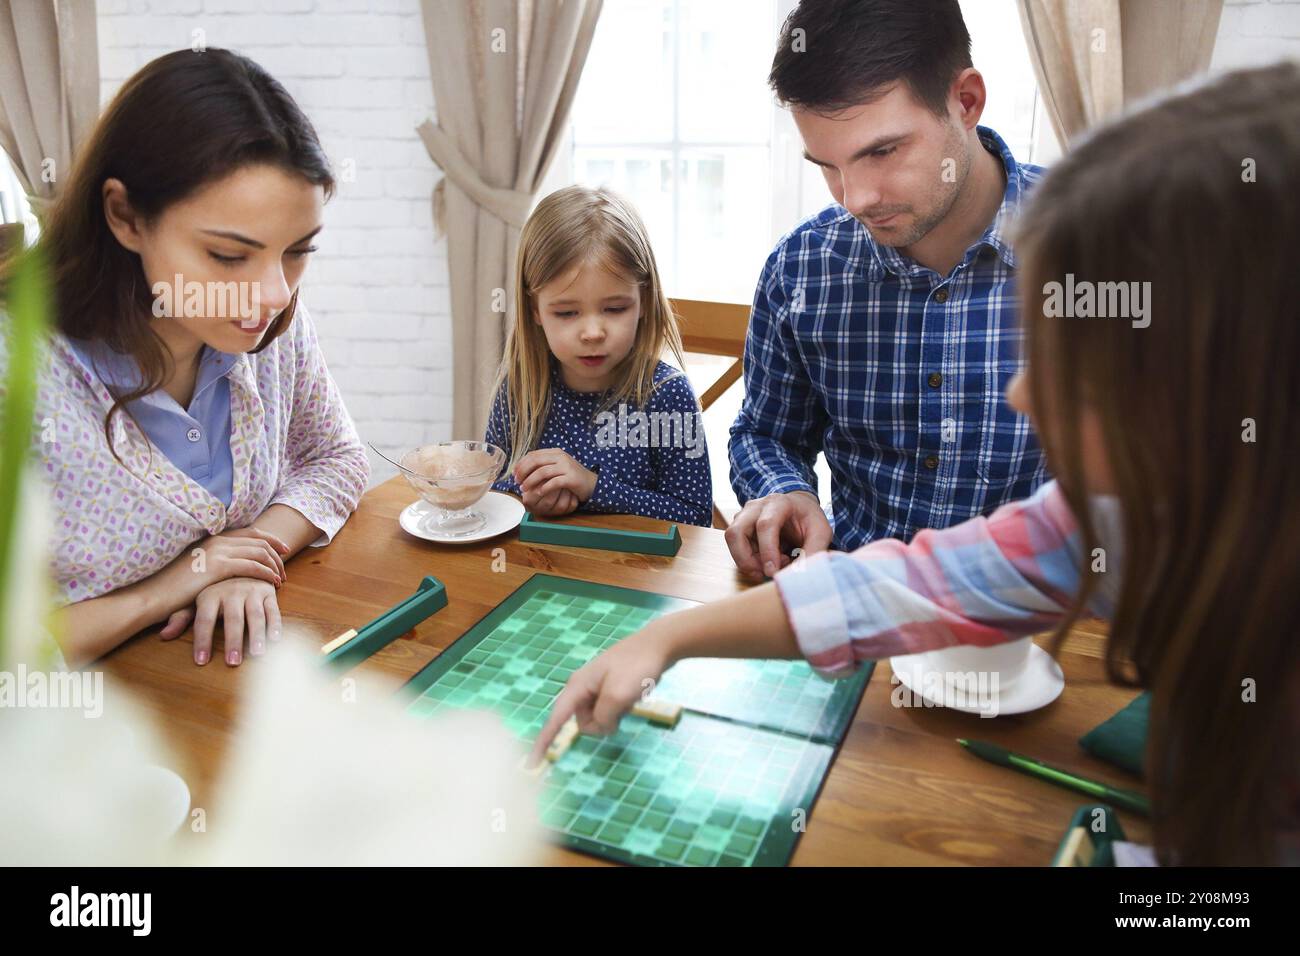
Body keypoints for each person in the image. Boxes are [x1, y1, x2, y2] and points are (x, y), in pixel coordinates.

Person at [532, 63, 1300, 866]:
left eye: (1076, 364)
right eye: (827, 166)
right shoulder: (1107, 524)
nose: (1025, 395)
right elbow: (903, 585)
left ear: (1217, 380)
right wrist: (666, 640)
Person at [0, 49, 369, 668]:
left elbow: (334, 456)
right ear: (125, 217)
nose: (276, 293)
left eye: (298, 250)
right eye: (229, 256)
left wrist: (251, 554)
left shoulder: (262, 318)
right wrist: (174, 584)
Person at [727, 0, 1048, 581]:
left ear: (966, 101)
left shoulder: (1104, 251)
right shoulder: (802, 269)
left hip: (1044, 631)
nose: (855, 199)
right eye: (828, 165)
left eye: (881, 152)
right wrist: (786, 492)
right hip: (859, 614)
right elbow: (766, 433)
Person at [486, 186, 712, 528]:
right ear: (535, 310)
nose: (592, 332)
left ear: (643, 300)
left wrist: (593, 488)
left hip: (640, 578)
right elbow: (491, 496)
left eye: (615, 308)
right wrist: (527, 495)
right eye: (566, 313)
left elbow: (695, 519)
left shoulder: (668, 395)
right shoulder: (519, 391)